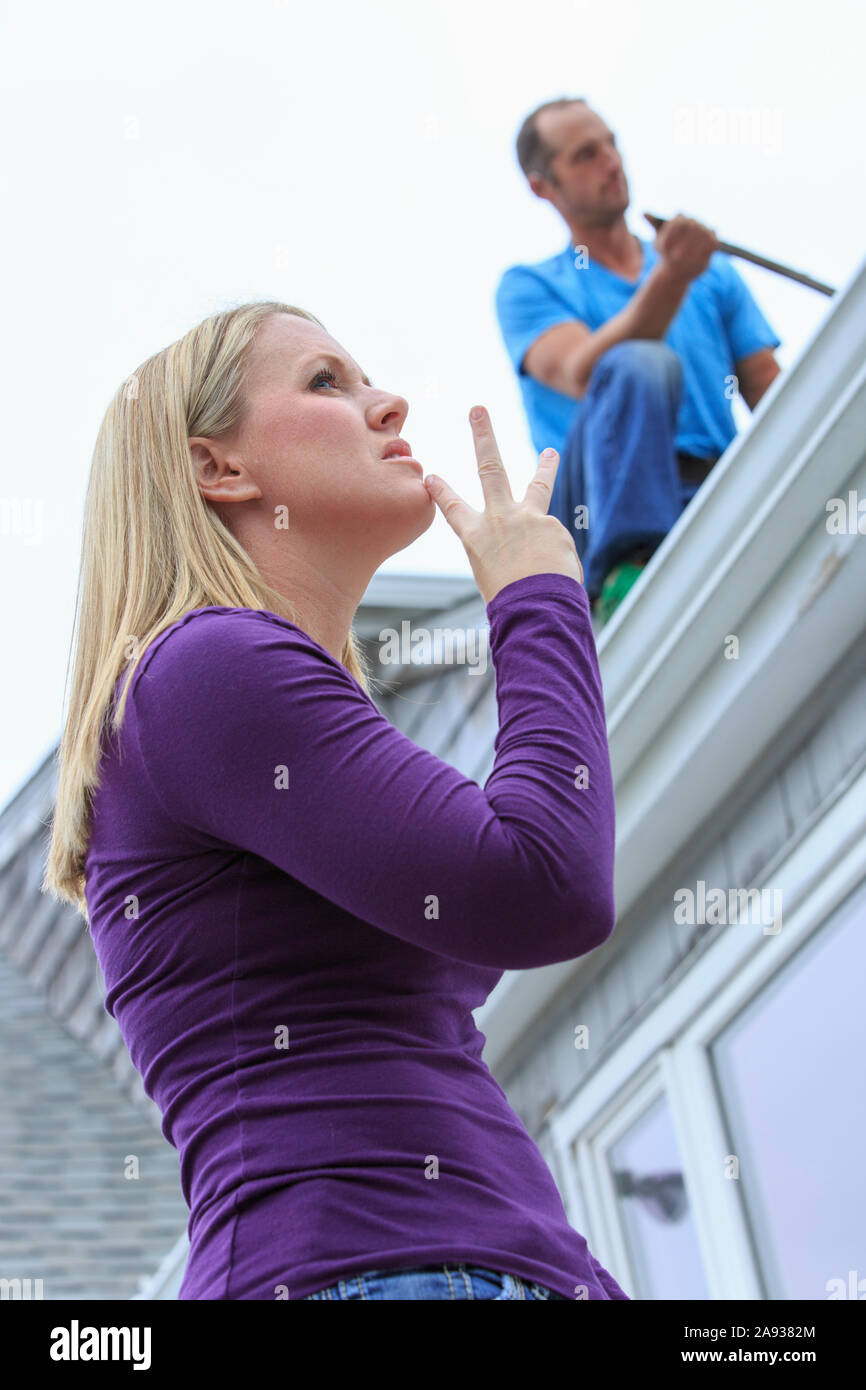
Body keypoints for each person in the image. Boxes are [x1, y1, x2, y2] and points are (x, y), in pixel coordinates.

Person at [42, 301, 629, 1301]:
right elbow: (543, 882)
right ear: (219, 470)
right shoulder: (208, 668)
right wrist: (533, 597)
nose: (388, 402)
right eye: (327, 381)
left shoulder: (234, 700)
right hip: (384, 1271)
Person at [496, 97, 783, 626]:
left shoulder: (711, 272)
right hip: (595, 514)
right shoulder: (530, 287)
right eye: (585, 154)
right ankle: (627, 569)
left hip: (713, 488)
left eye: (611, 145)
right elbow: (584, 371)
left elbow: (772, 392)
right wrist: (672, 276)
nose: (611, 162)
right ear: (542, 185)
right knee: (636, 364)